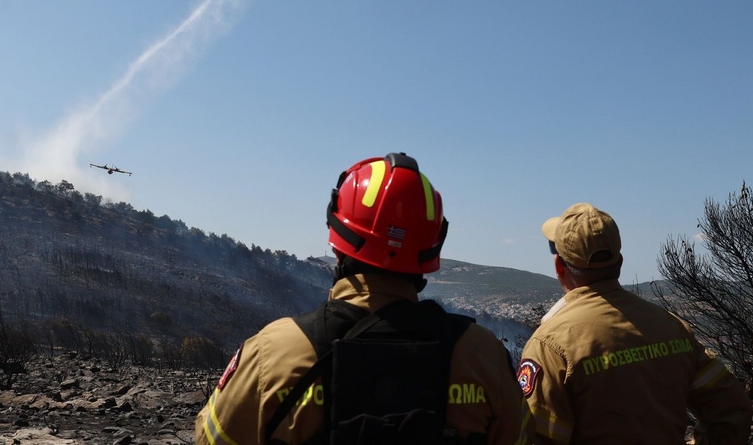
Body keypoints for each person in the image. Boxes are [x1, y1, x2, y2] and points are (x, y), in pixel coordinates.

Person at [196, 152, 533, 445]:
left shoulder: (273, 353)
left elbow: (211, 439)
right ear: (431, 246)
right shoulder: (482, 355)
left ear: (338, 241)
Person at [517, 203, 752, 444]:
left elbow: (534, 437)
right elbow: (732, 410)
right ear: (619, 261)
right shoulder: (672, 327)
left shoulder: (550, 344)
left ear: (559, 266)